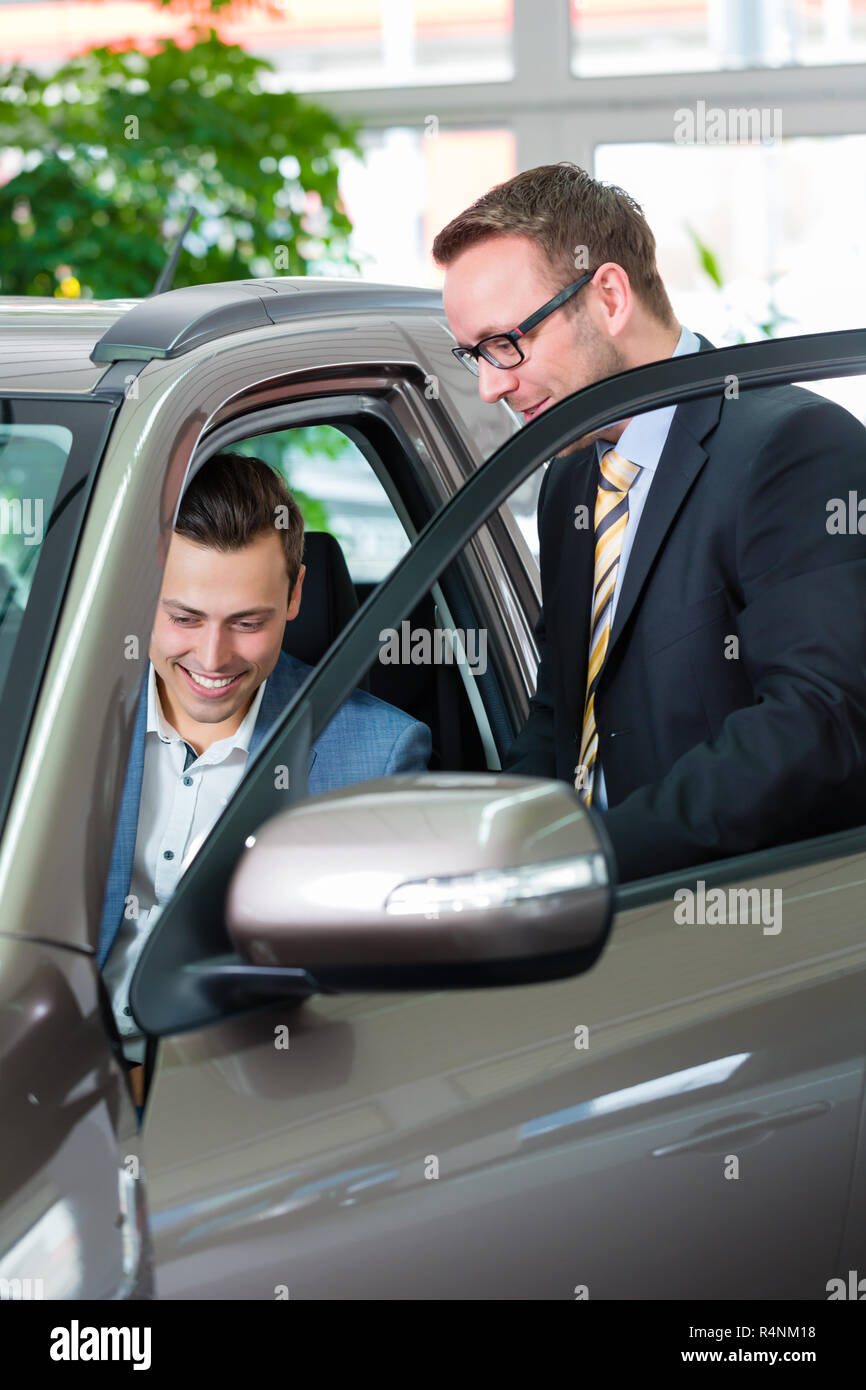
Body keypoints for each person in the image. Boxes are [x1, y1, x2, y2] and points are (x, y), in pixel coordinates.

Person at [434, 162, 866, 883]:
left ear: (607, 296)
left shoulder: (792, 447)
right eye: (473, 354)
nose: (490, 385)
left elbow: (816, 724)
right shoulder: (571, 475)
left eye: (506, 343)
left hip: (721, 928)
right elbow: (560, 713)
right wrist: (495, 860)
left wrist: (596, 856)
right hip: (579, 919)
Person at [99, 452, 431, 1108]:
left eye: (247, 623)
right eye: (184, 618)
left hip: (253, 1104)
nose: (213, 658)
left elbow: (375, 1014)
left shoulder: (378, 753)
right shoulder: (66, 722)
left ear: (295, 595)